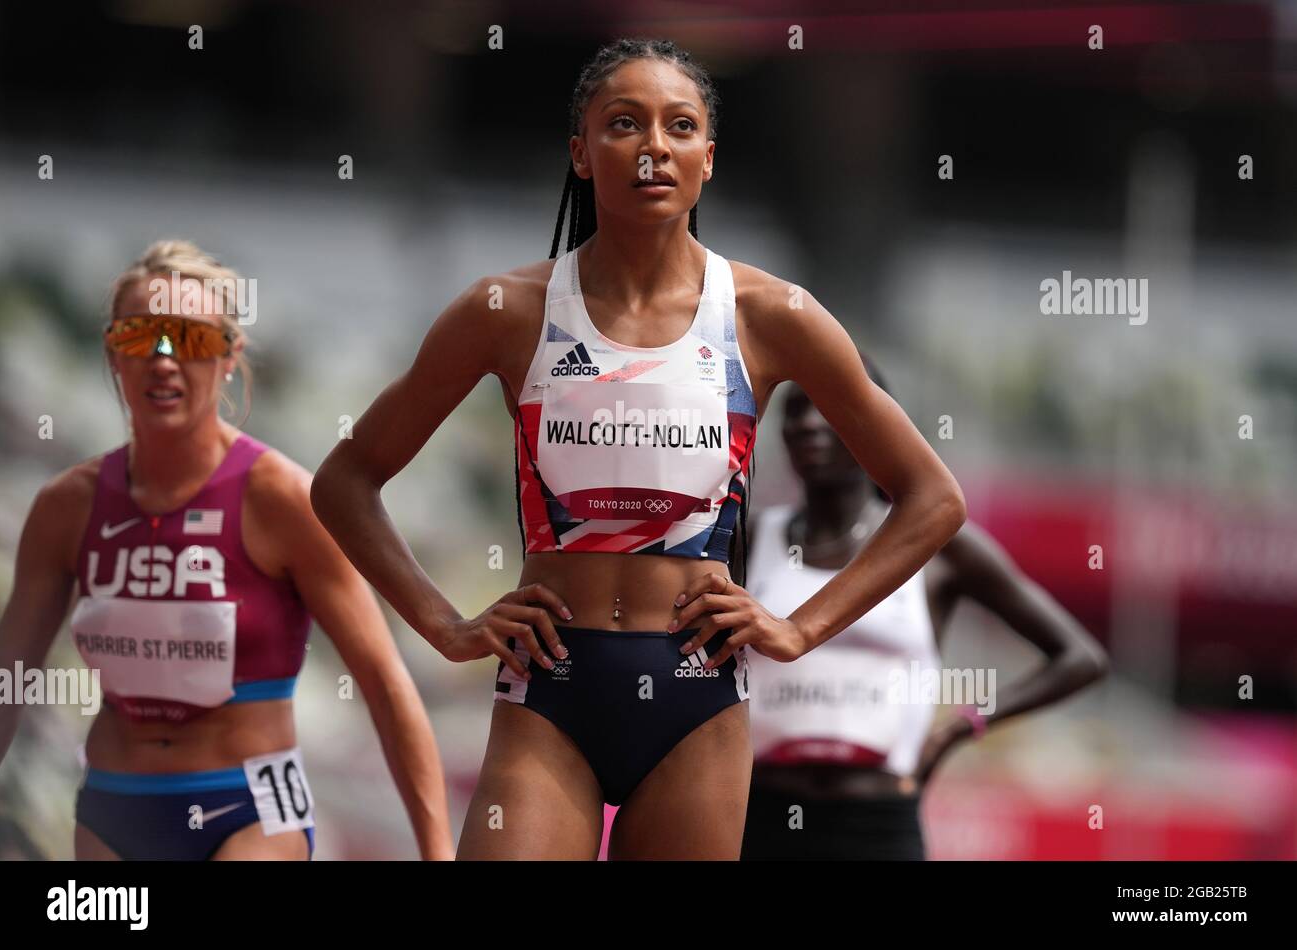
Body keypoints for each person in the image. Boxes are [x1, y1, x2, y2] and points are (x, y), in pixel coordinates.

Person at [311, 38, 966, 860]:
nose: (654, 145)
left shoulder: (772, 314)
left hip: (697, 704)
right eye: (625, 123)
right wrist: (445, 626)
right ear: (582, 153)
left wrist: (799, 629)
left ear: (707, 159)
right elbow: (345, 480)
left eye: (679, 126)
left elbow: (934, 499)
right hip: (549, 691)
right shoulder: (505, 310)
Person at [0, 240, 456, 860]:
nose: (164, 360)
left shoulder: (283, 499)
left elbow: (384, 684)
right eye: (141, 337)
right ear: (112, 353)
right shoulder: (66, 507)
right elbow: (10, 680)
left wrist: (437, 851)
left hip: (250, 811)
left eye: (190, 338)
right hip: (113, 808)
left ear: (229, 357)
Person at [740, 358, 1109, 860]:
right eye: (795, 411)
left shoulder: (938, 546)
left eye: (825, 408)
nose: (807, 423)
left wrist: (962, 726)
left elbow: (1079, 657)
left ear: (876, 424)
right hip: (760, 819)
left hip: (879, 829)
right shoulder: (749, 538)